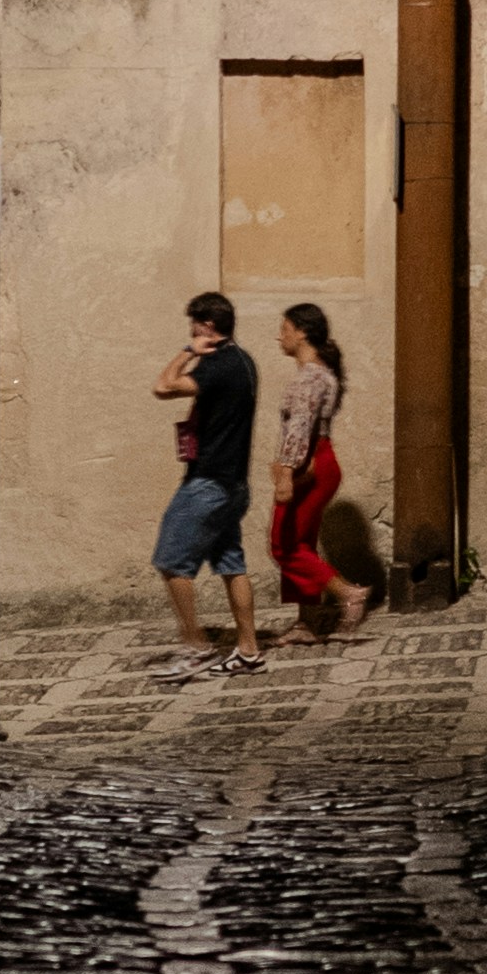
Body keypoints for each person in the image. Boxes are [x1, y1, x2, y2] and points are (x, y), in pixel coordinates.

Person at [150, 291, 264, 681]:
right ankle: (248, 650)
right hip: (233, 484)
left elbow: (163, 387)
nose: (191, 331)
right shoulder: (244, 361)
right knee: (232, 564)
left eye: (194, 325)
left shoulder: (217, 366)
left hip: (208, 484)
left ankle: (195, 645)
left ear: (208, 327)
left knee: (170, 561)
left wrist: (188, 350)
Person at [268, 301, 364, 642]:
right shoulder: (322, 374)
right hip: (319, 459)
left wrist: (285, 474)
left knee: (284, 546)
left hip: (309, 462)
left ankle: (346, 593)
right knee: (302, 542)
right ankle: (306, 623)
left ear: (302, 332)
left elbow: (300, 428)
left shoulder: (311, 377)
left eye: (284, 329)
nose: (279, 337)